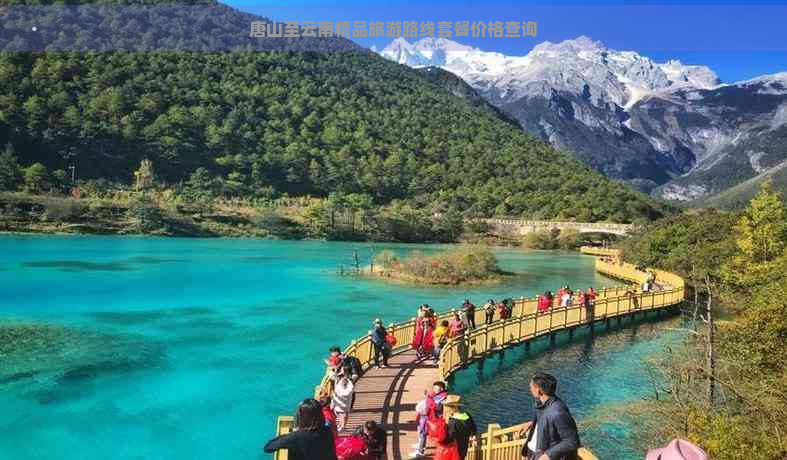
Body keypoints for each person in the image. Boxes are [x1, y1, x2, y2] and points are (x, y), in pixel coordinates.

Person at [519, 372, 580, 460]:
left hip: (544, 455)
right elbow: (547, 420)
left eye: (531, 386)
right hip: (534, 453)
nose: (530, 388)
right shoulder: (541, 403)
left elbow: (572, 441)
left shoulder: (558, 412)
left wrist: (548, 455)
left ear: (538, 390)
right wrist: (533, 424)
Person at [264, 398, 338, 460]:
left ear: (303, 418)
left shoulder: (296, 437)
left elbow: (268, 447)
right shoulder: (327, 431)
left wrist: (290, 435)